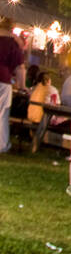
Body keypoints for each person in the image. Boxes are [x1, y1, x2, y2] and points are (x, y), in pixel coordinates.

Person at [0, 17, 25, 153]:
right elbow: (20, 68)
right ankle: (2, 145)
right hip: (3, 80)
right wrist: (22, 86)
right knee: (2, 113)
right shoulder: (12, 44)